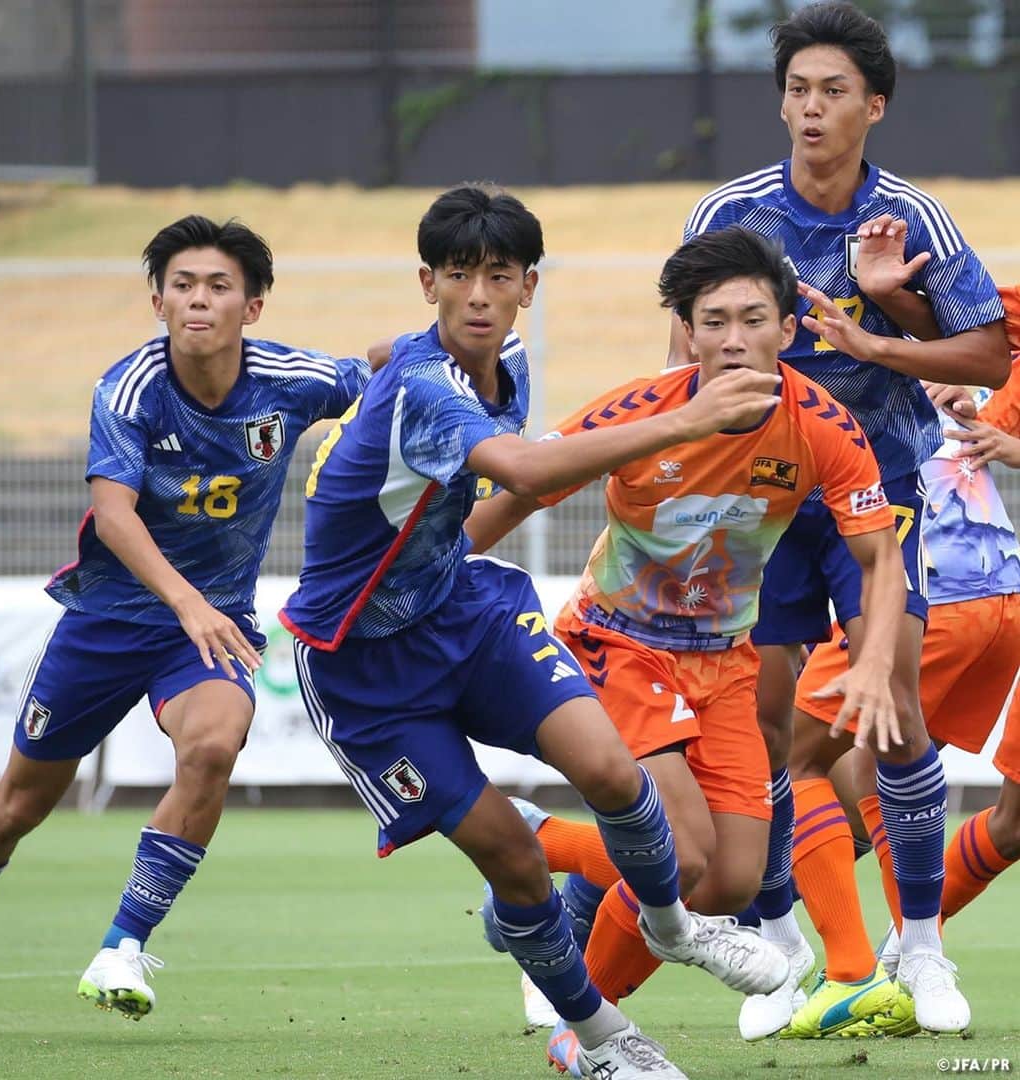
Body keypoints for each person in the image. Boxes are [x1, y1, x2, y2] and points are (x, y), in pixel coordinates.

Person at [278, 184, 791, 1080]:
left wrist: (361, 386)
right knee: (515, 866)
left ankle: (672, 927)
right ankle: (600, 1039)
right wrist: (689, 417)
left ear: (528, 286)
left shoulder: (497, 353)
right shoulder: (430, 390)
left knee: (607, 767)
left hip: (465, 611)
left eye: (498, 275)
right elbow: (519, 465)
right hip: (359, 665)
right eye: (458, 277)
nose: (478, 295)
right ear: (426, 281)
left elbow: (378, 356)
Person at [464, 224, 907, 1072]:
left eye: (752, 318)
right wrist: (427, 576)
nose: (733, 338)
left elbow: (878, 556)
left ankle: (533, 843)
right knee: (684, 851)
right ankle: (587, 1027)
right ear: (687, 330)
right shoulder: (640, 409)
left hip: (726, 663)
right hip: (617, 647)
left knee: (729, 883)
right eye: (713, 321)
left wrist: (877, 662)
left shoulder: (824, 428)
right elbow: (520, 486)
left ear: (789, 328)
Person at [670, 0, 1009, 1039]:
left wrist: (882, 348)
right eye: (796, 89)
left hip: (875, 489)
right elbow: (686, 354)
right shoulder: (733, 213)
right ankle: (782, 940)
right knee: (772, 729)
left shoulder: (916, 221)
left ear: (875, 104)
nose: (810, 109)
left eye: (831, 91)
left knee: (894, 711)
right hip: (758, 495)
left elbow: (992, 357)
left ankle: (924, 946)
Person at [0, 215, 373, 1020]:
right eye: (182, 285)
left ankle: (122, 948)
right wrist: (184, 600)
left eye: (218, 286)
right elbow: (113, 514)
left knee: (215, 744)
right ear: (157, 300)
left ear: (251, 307)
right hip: (110, 622)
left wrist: (435, 356)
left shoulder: (291, 380)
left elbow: (382, 380)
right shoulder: (128, 390)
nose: (199, 300)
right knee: (16, 806)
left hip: (214, 625)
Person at [783, 284, 1020, 1037]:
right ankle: (901, 959)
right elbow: (991, 334)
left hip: (939, 584)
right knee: (871, 783)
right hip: (993, 588)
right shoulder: (956, 328)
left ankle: (859, 967)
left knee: (786, 769)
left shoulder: (834, 350)